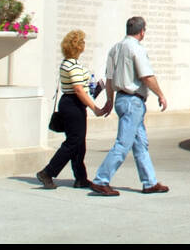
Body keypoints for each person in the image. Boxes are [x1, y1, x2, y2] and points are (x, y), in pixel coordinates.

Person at [91, 16, 169, 195]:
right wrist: (161, 95)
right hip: (133, 101)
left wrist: (110, 101)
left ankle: (149, 182)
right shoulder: (136, 49)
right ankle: (101, 179)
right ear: (142, 31)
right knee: (123, 144)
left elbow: (109, 79)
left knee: (141, 143)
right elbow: (146, 76)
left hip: (121, 99)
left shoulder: (115, 49)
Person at [37, 30, 109, 190]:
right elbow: (78, 89)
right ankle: (48, 172)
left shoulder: (66, 64)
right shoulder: (73, 65)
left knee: (79, 143)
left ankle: (80, 177)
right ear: (78, 46)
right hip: (74, 105)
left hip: (70, 103)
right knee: (73, 141)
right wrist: (95, 108)